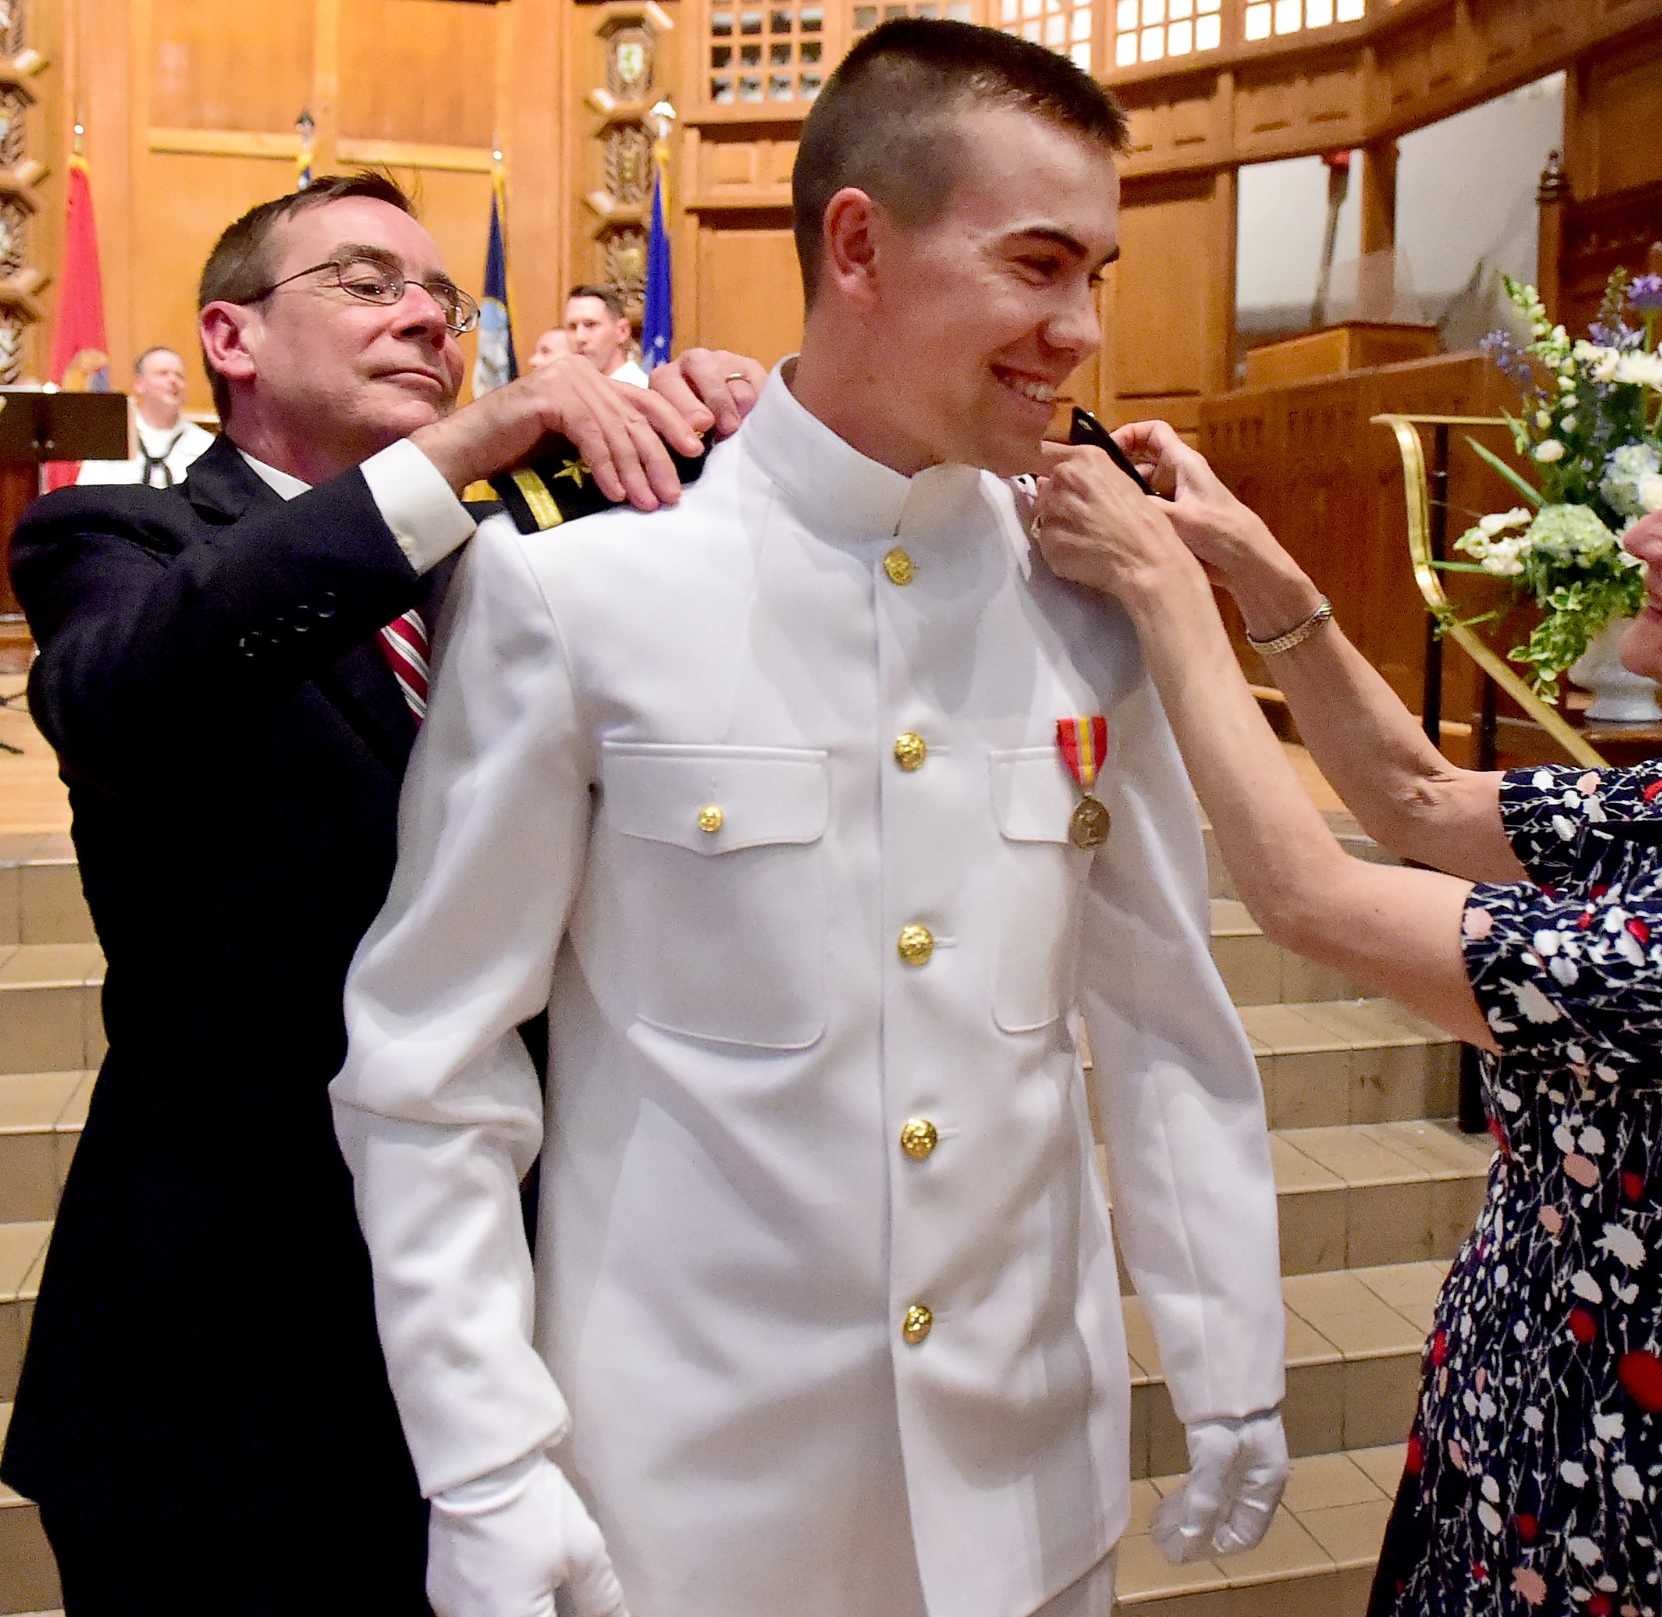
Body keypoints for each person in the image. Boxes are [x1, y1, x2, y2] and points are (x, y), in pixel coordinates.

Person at [330, 22, 1288, 1617]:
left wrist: (1229, 1353)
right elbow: (431, 1063)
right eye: (1040, 265)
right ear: (859, 243)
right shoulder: (581, 597)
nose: (1083, 330)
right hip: (691, 1503)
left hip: (1024, 1502)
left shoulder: (1093, 613)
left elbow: (1162, 1013)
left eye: (1101, 274)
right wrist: (484, 1454)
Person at [1032, 356, 1662, 1612]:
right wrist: (1258, 571)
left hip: (1601, 1548)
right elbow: (1418, 799)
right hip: (1498, 1470)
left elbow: (1310, 896)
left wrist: (1156, 586)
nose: (1638, 535)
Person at [1, 171, 765, 1615]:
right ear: (230, 337)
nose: (426, 313)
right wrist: (451, 457)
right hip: (223, 1335)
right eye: (365, 282)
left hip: (513, 1313)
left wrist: (746, 430)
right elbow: (124, 690)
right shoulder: (114, 539)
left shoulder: (540, 553)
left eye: (442, 296)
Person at [74, 344, 215, 486]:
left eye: (179, 375)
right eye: (162, 373)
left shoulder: (204, 445)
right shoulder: (109, 438)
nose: (173, 381)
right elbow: (88, 498)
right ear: (139, 384)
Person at [563, 283, 645, 385]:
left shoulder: (640, 393)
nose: (579, 338)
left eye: (590, 325)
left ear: (622, 331)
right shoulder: (569, 392)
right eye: (572, 327)